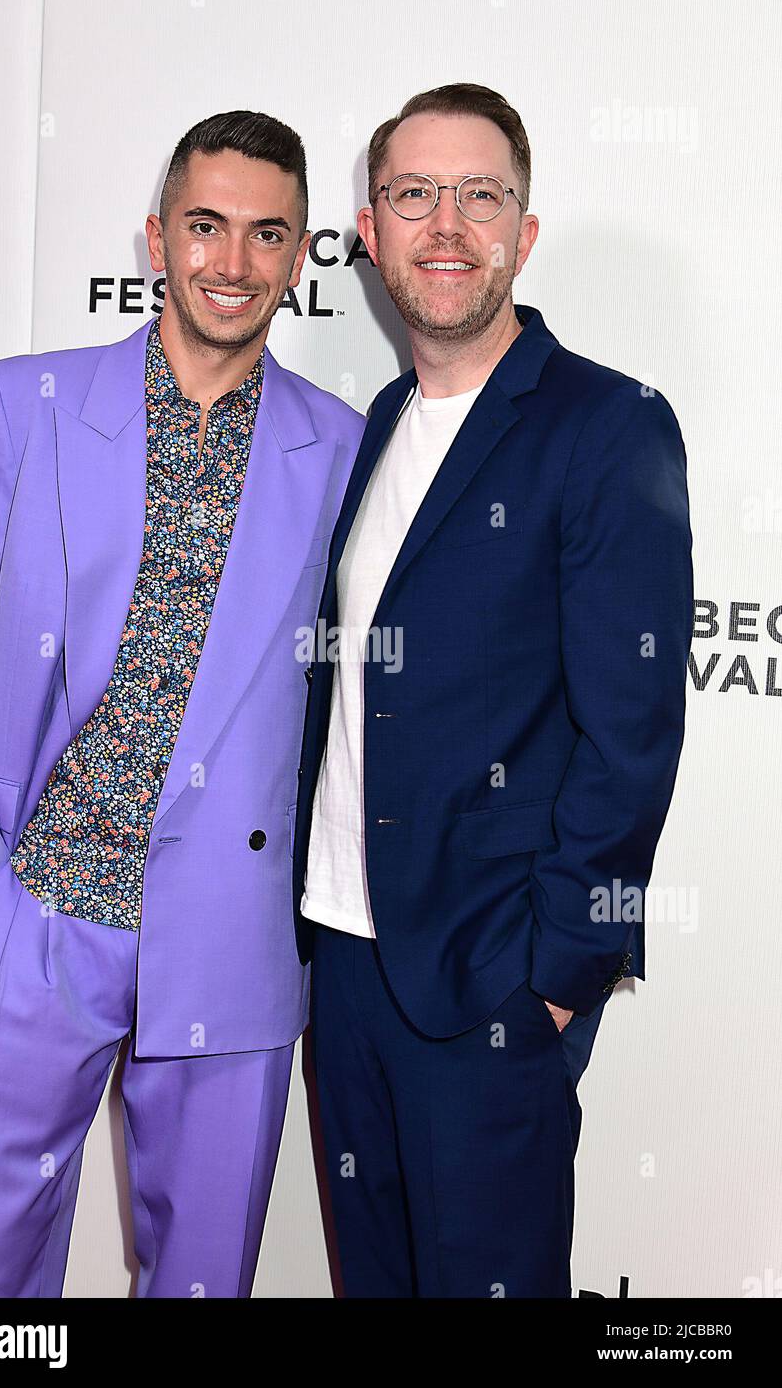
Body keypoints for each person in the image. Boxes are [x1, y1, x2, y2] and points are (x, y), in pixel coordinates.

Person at [0, 110, 364, 1298]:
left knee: (203, 1280)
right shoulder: (29, 404)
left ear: (301, 252)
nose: (231, 262)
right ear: (155, 236)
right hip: (39, 911)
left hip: (231, 933)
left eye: (265, 234)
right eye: (205, 226)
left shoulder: (345, 450)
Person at [293, 83, 693, 1298]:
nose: (447, 225)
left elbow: (632, 733)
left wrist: (559, 981)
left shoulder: (606, 424)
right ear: (369, 232)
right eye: (415, 195)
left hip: (487, 985)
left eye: (480, 196)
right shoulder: (377, 421)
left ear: (523, 232)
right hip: (344, 964)